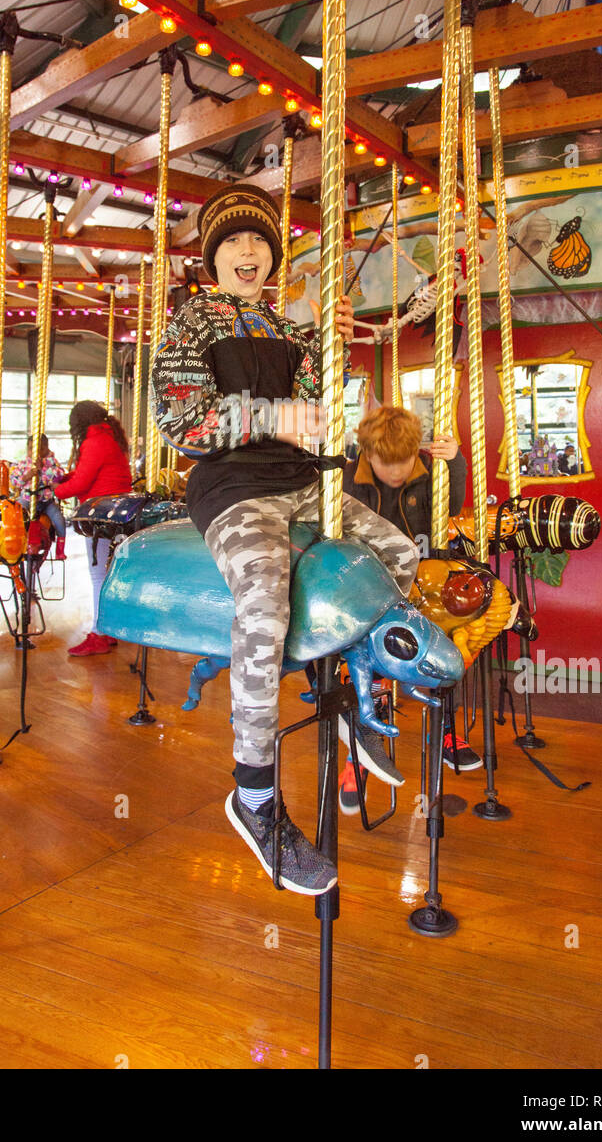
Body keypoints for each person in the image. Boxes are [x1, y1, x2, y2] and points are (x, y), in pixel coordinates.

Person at [152, 184, 423, 897]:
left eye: (261, 241)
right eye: (236, 241)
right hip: (236, 489)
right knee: (267, 602)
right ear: (215, 254)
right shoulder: (192, 322)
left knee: (400, 556)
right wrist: (276, 415)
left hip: (303, 479)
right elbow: (185, 424)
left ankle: (359, 700)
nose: (250, 251)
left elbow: (320, 415)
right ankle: (255, 793)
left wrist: (331, 367)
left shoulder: (289, 327)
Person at [340, 404, 477, 811]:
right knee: (366, 662)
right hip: (372, 587)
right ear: (368, 455)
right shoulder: (350, 480)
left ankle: (448, 729)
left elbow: (451, 506)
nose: (397, 472)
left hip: (422, 579)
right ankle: (362, 750)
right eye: (387, 463)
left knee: (450, 642)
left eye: (404, 461)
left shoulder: (426, 471)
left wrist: (455, 464)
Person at [53, 402, 133, 656]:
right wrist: (67, 479)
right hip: (114, 513)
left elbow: (82, 482)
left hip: (101, 516)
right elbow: (89, 473)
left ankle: (99, 632)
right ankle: (107, 628)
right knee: (107, 573)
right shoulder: (107, 437)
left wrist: (53, 490)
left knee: (98, 574)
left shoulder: (95, 441)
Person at [9, 434, 67, 559]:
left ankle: (60, 551)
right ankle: (15, 545)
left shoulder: (53, 463)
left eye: (40, 449)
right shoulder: (23, 464)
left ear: (46, 448)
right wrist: (25, 477)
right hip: (27, 499)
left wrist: (43, 469)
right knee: (15, 516)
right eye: (31, 449)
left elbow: (58, 477)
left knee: (60, 520)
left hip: (46, 501)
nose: (35, 453)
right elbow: (14, 481)